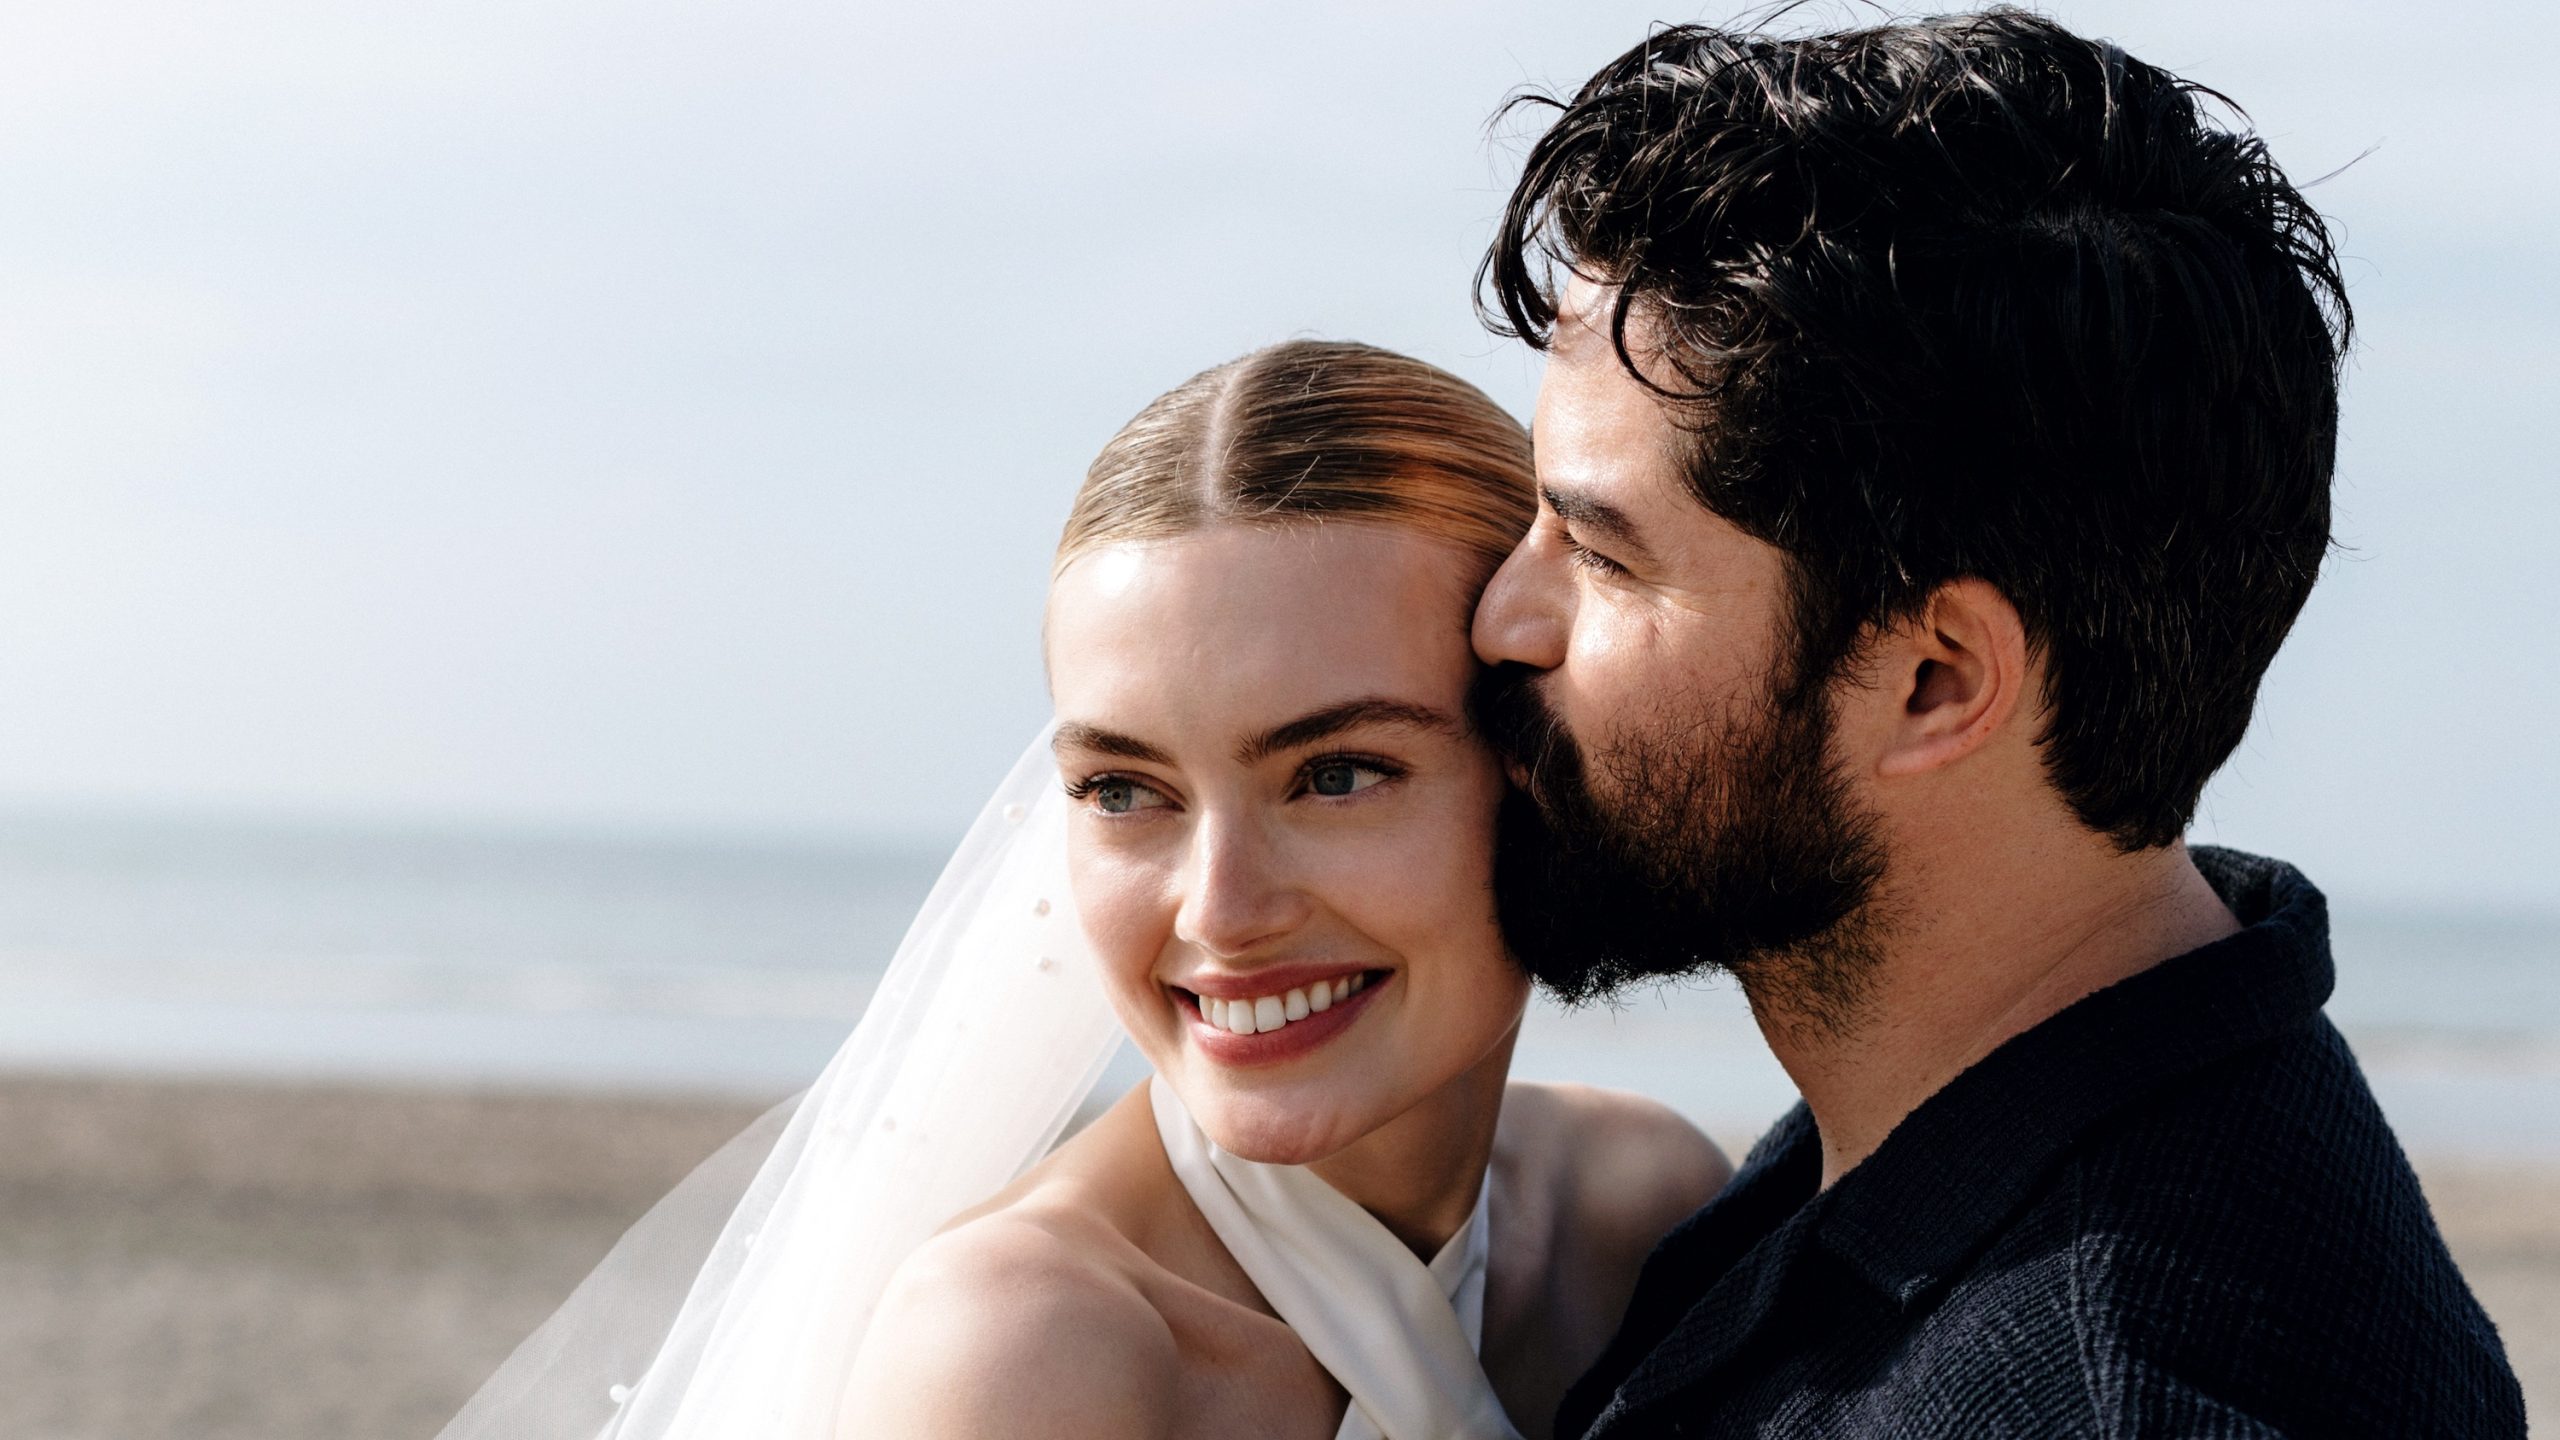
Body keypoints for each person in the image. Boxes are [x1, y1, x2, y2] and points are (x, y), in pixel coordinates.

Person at [1467, 11, 2527, 1437]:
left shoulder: (2111, 1392)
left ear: (1937, 682)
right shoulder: (1955, 1130)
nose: (1499, 618)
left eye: (1602, 554)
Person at [436, 339, 1727, 1440]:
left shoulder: (1641, 1209)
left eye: (1335, 774)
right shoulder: (1029, 1353)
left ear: (1544, 762)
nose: (1219, 911)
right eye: (1125, 791)